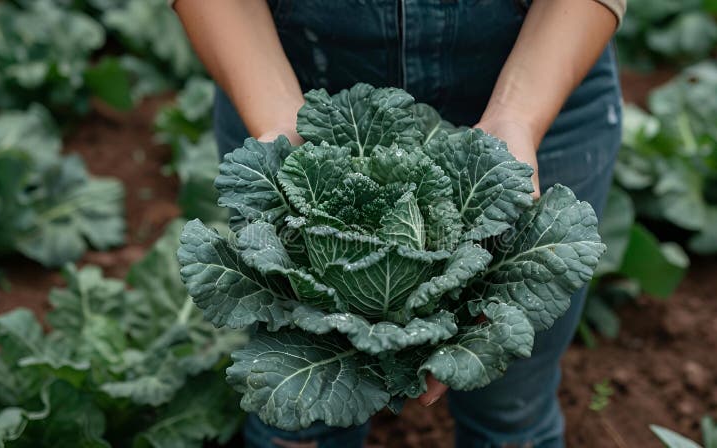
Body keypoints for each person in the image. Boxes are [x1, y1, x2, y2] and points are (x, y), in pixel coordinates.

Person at [174, 1, 625, 447]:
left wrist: (518, 118)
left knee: (512, 407)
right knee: (297, 414)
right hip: (281, 74)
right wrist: (276, 120)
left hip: (544, 70)